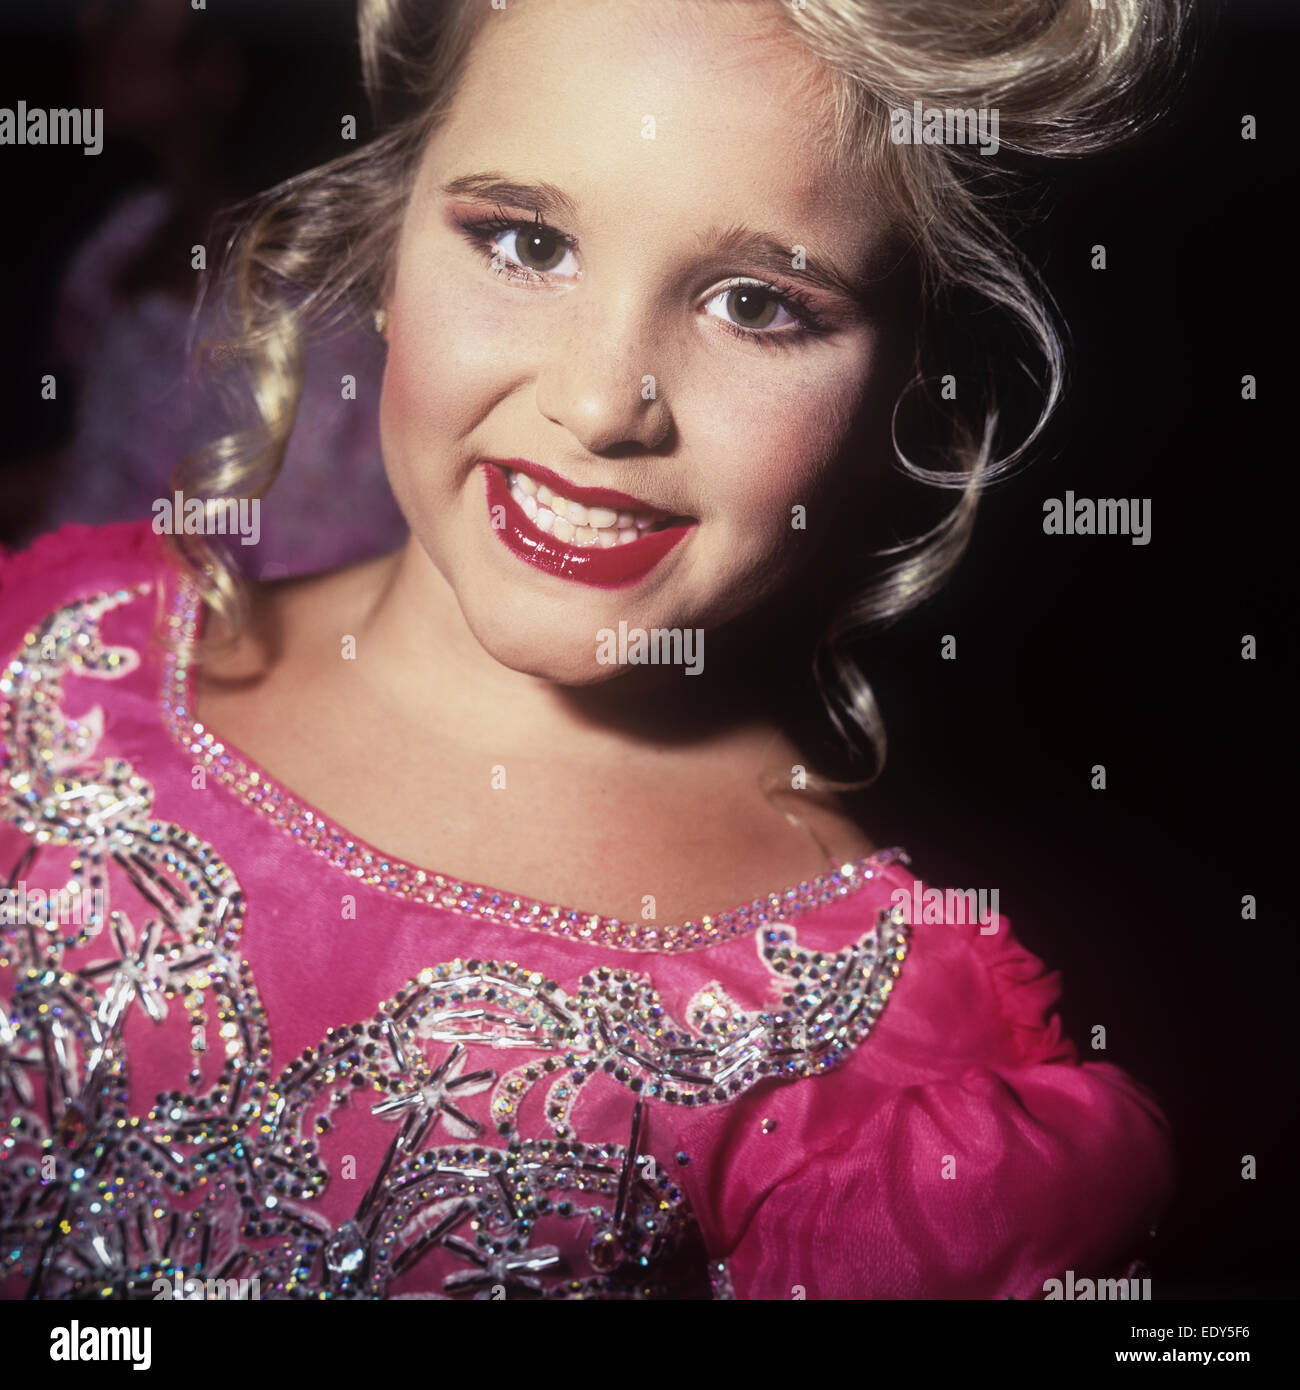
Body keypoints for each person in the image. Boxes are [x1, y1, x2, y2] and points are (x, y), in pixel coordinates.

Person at [0, 0, 1188, 1299]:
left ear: (906, 381)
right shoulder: (53, 670)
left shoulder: (877, 1069)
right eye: (526, 240)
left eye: (757, 303)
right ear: (384, 241)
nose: (599, 399)